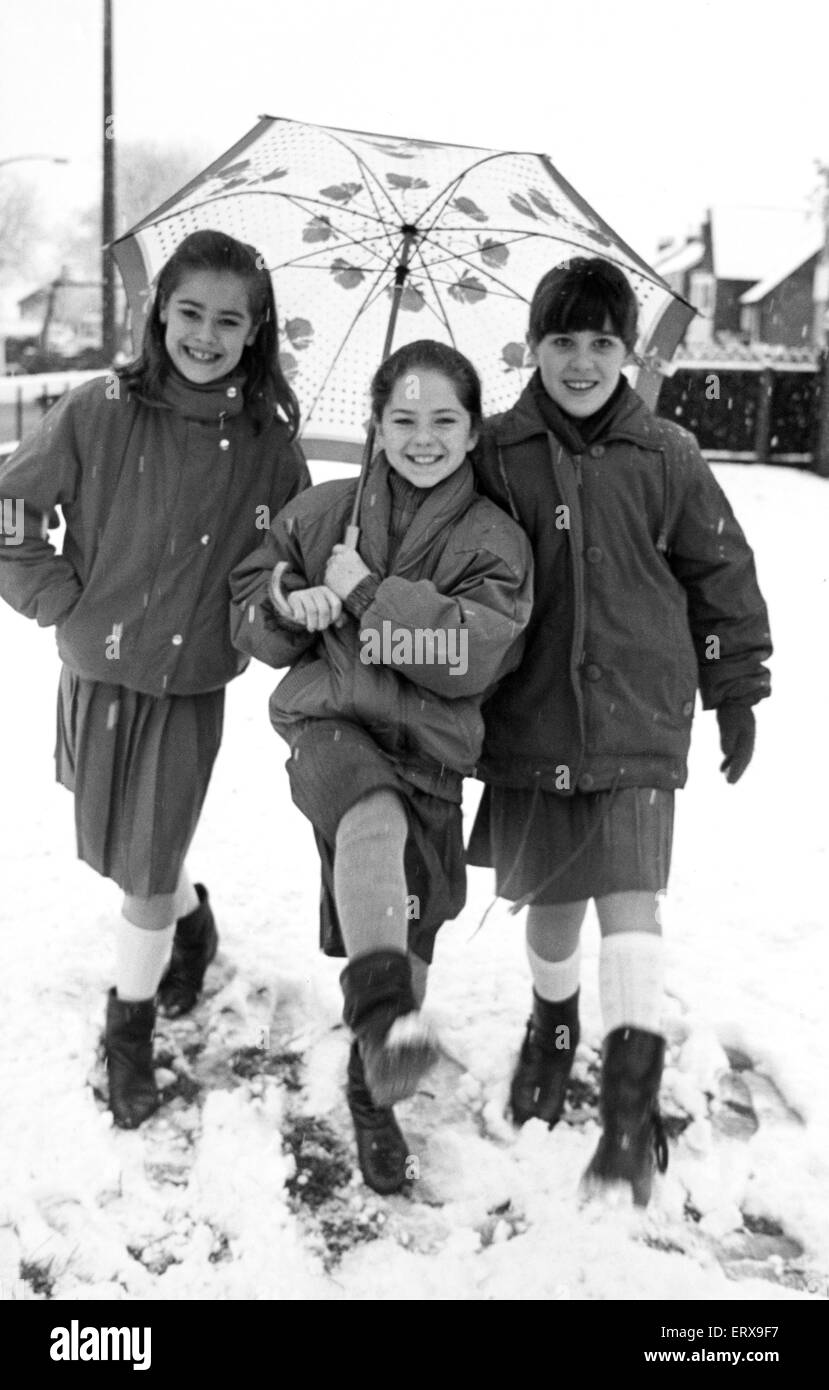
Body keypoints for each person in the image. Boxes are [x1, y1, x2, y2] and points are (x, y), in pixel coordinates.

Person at [467, 257, 772, 1207]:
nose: (583, 361)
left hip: (640, 711)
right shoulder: (494, 449)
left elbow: (717, 571)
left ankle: (630, 1108)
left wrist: (735, 686)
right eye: (563, 341)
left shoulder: (667, 453)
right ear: (532, 347)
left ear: (629, 352)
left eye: (603, 342)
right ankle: (552, 1029)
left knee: (631, 904)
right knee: (553, 910)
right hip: (530, 716)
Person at [0, 229, 309, 1130]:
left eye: (229, 321)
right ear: (158, 315)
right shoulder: (99, 408)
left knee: (143, 853)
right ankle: (190, 917)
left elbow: (274, 567)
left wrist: (273, 616)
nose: (206, 336)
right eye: (190, 314)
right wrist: (59, 596)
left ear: (256, 332)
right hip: (97, 668)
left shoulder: (268, 442)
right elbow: (11, 505)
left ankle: (127, 1030)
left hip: (189, 686)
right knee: (118, 848)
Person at [229, 339, 532, 1194]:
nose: (422, 436)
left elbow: (463, 656)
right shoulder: (325, 510)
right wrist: (290, 599)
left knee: (416, 923)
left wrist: (362, 593)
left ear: (474, 433)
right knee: (370, 816)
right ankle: (381, 1013)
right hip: (328, 724)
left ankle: (375, 1080)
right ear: (375, 423)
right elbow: (248, 617)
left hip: (432, 751)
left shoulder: (496, 541)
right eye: (402, 418)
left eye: (444, 420)